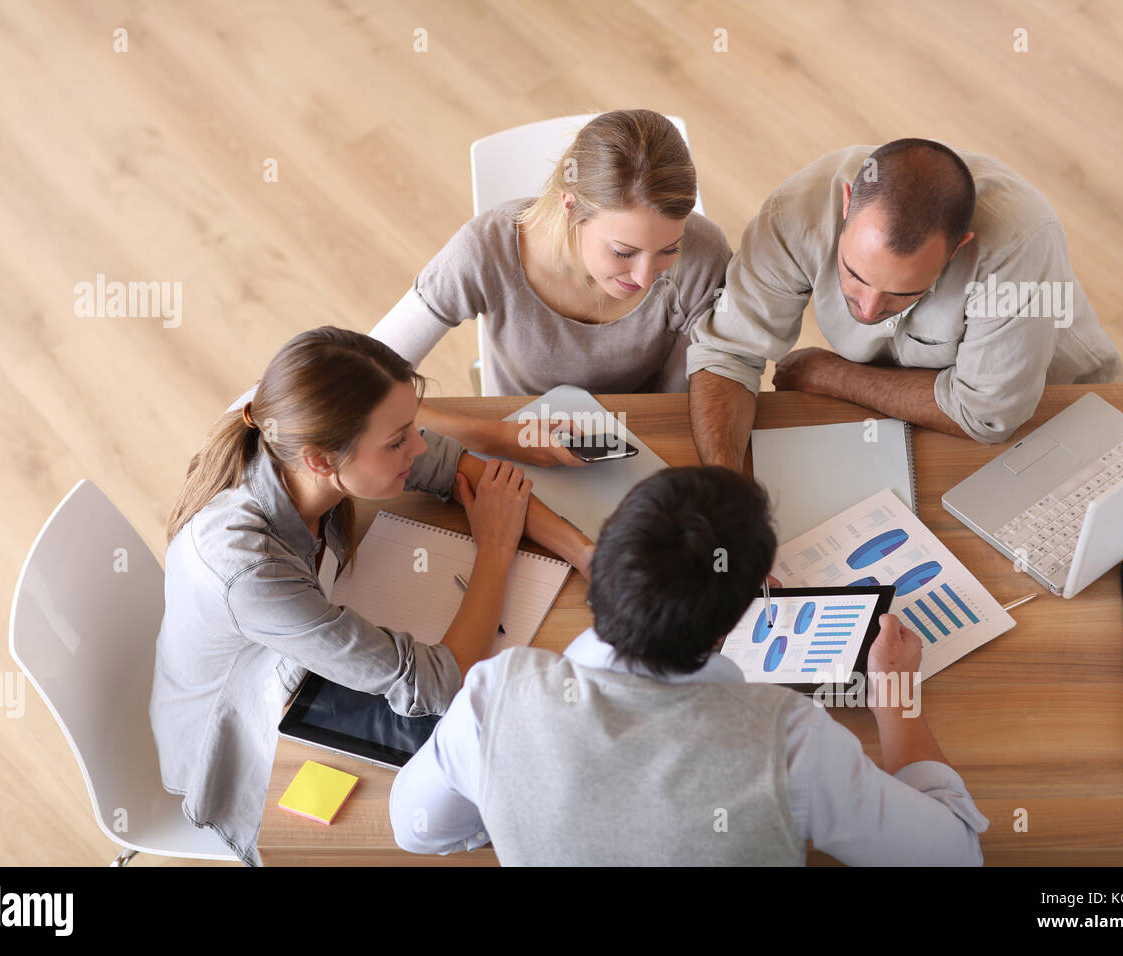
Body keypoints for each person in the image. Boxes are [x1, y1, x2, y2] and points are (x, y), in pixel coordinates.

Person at [150, 327, 594, 866]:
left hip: (299, 656)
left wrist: (584, 552)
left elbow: (458, 468)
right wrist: (495, 547)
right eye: (398, 440)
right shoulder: (248, 569)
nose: (420, 446)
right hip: (244, 740)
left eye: (412, 427)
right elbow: (438, 682)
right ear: (319, 459)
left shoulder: (285, 421)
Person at [389, 466, 988, 865]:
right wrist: (896, 694)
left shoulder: (494, 697)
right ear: (740, 609)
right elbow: (955, 853)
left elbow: (416, 828)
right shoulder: (790, 742)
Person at [688, 138, 1122, 468]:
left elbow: (989, 417)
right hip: (909, 405)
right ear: (844, 207)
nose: (870, 311)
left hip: (1049, 404)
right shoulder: (794, 214)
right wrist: (726, 495)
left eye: (903, 292)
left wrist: (831, 374)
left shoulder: (1017, 245)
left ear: (958, 249)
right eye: (854, 274)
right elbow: (727, 353)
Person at [370, 108, 731, 468]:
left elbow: (684, 401)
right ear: (571, 209)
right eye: (624, 252)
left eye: (669, 250)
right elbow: (361, 378)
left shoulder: (704, 254)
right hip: (516, 429)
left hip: (643, 435)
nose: (645, 279)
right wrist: (497, 436)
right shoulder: (485, 250)